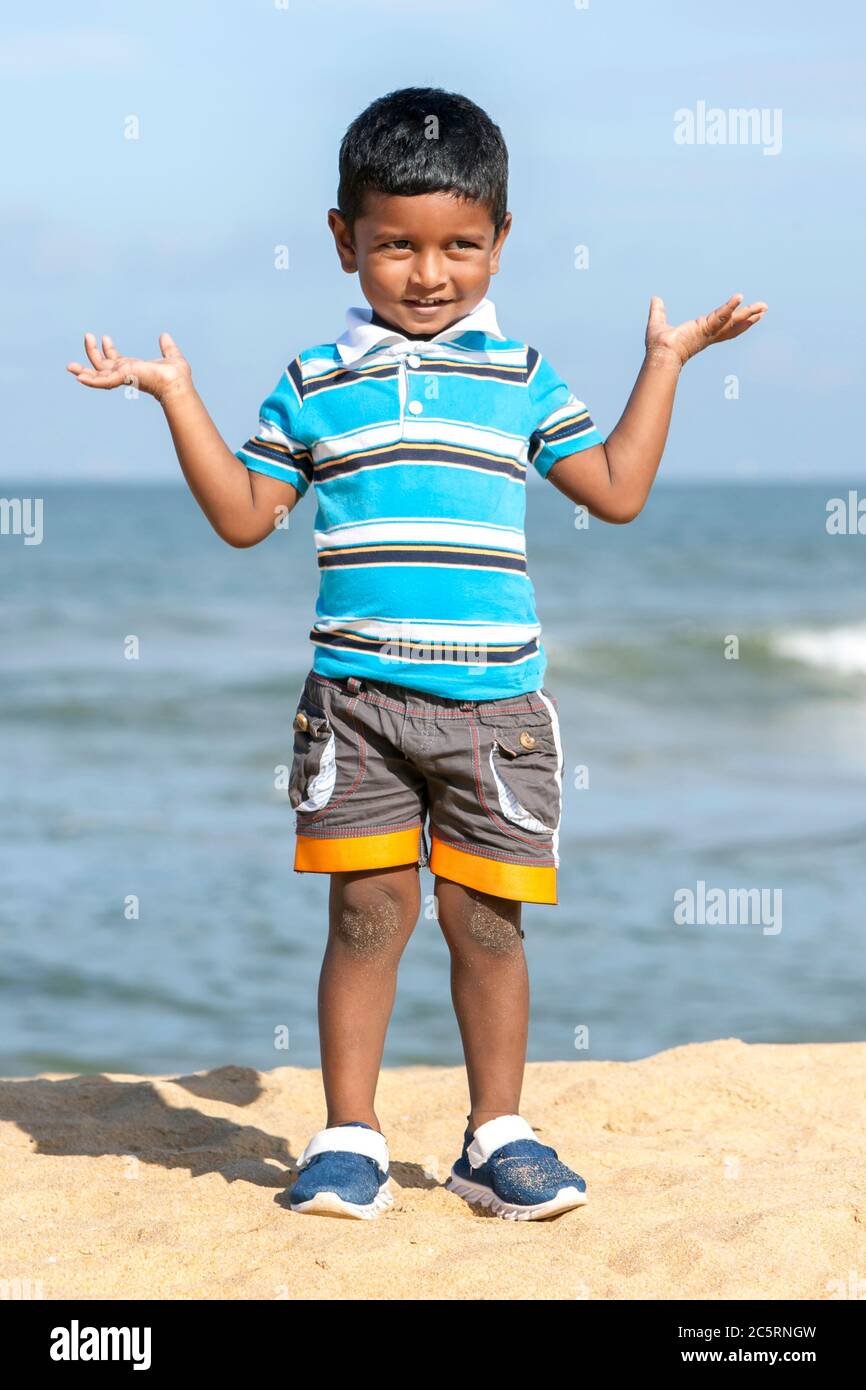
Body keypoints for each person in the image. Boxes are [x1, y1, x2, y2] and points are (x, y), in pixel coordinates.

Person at [67, 87, 766, 1222]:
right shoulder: (312, 380)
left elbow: (618, 493)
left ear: (499, 241)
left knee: (486, 919)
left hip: (495, 712)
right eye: (394, 244)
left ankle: (496, 1134)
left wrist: (667, 362)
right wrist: (177, 398)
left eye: (459, 246)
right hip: (354, 707)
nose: (428, 273)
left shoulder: (522, 375)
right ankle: (349, 1133)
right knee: (367, 912)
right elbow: (246, 516)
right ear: (344, 238)